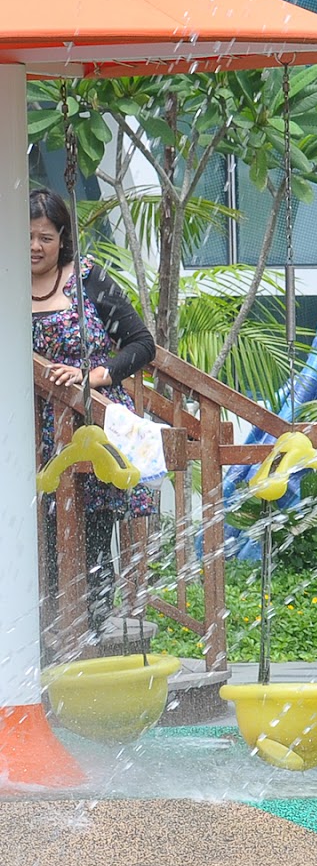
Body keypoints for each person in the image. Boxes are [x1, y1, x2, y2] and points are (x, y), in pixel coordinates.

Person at [31, 187, 158, 645]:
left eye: (45, 237)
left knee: (89, 527)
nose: (34, 247)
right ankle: (40, 632)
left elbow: (143, 344)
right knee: (37, 531)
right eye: (25, 236)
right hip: (27, 432)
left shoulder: (87, 278)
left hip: (88, 423)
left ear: (62, 238)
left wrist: (96, 375)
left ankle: (91, 627)